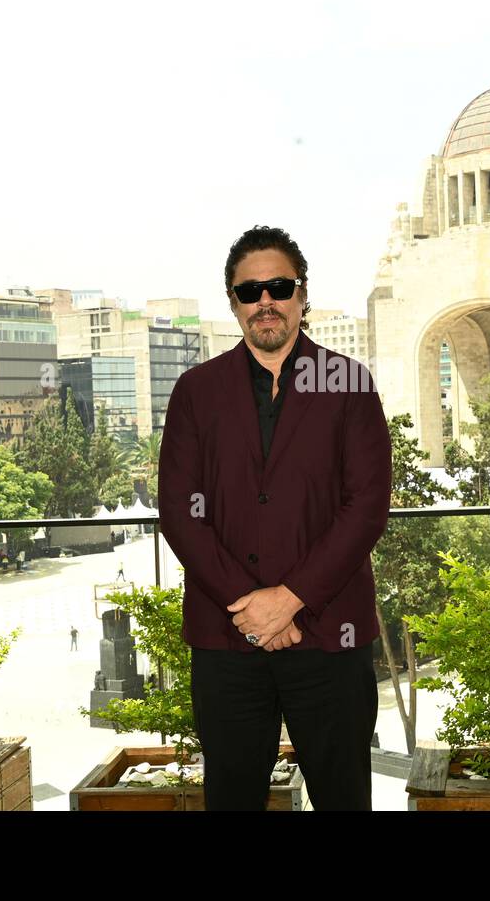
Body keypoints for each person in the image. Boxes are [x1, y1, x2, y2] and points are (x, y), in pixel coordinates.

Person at [158, 226, 391, 811]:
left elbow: (365, 508)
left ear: (302, 295)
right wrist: (251, 606)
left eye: (279, 287)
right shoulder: (194, 392)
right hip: (227, 638)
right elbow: (180, 513)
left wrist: (290, 599)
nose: (266, 300)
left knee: (344, 799)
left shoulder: (350, 385)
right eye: (250, 290)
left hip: (330, 638)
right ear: (233, 303)